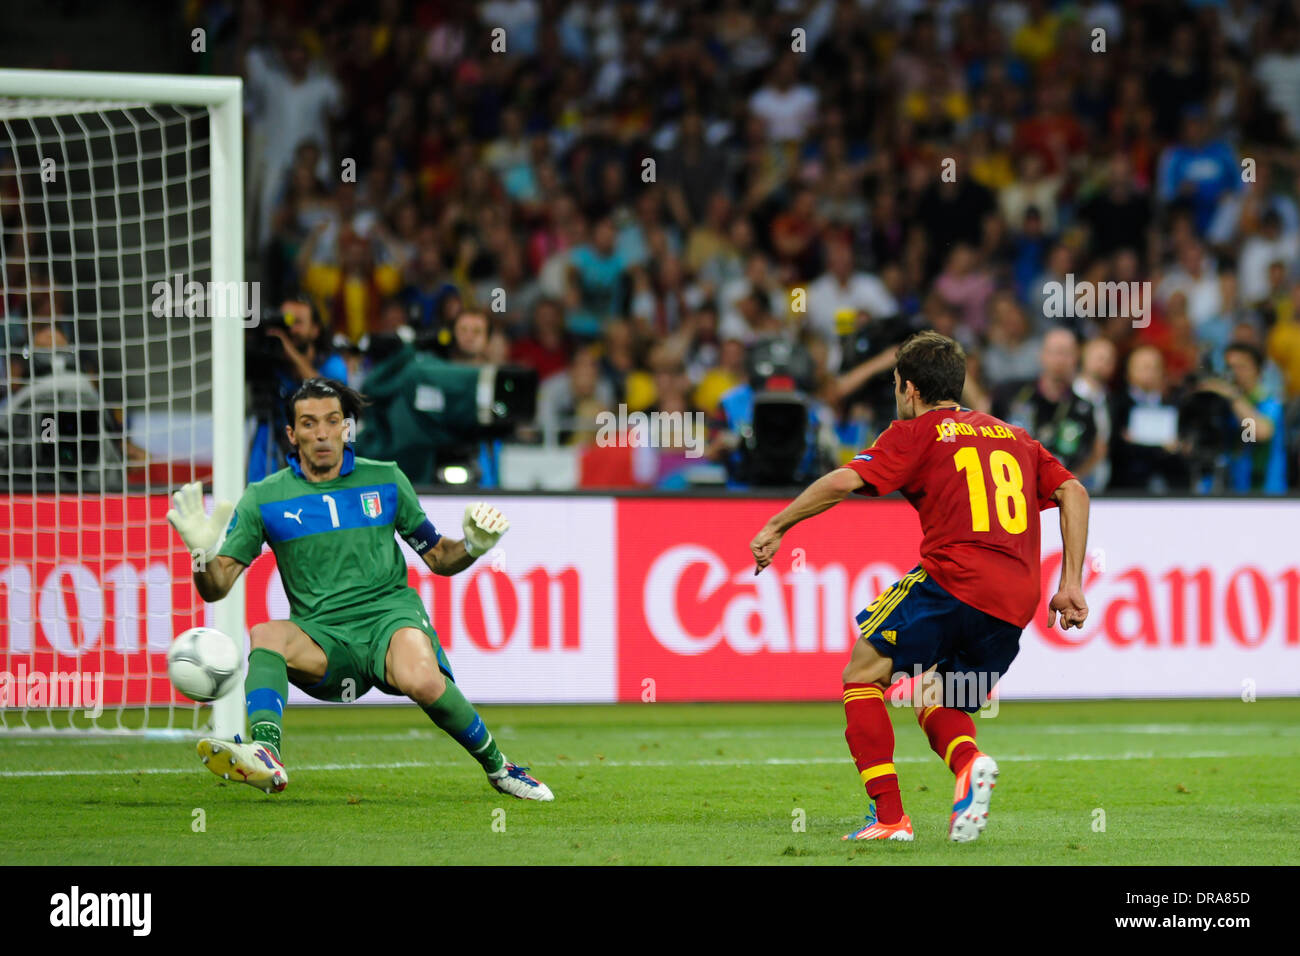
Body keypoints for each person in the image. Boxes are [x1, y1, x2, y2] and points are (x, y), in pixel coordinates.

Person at [749, 331, 1090, 843]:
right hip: (1016, 600)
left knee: (862, 674)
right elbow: (1073, 489)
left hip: (954, 579)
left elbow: (843, 480)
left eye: (894, 385)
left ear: (909, 388)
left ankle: (889, 818)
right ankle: (969, 765)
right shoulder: (1014, 436)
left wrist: (777, 526)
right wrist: (1072, 583)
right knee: (939, 695)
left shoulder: (916, 432)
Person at [166, 377, 553, 801]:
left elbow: (440, 558)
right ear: (292, 435)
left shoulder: (385, 480)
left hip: (389, 617)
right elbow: (216, 588)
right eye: (309, 424)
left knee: (421, 680)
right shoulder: (264, 497)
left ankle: (500, 768)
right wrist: (202, 554)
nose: (322, 433)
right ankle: (267, 753)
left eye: (332, 421)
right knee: (266, 635)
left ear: (346, 428)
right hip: (325, 638)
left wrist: (474, 546)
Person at [248, 298, 349, 483]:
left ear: (315, 330)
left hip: (321, 453)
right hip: (273, 444)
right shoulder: (270, 365)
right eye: (286, 321)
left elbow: (329, 393)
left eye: (298, 323)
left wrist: (290, 351)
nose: (290, 329)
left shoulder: (332, 364)